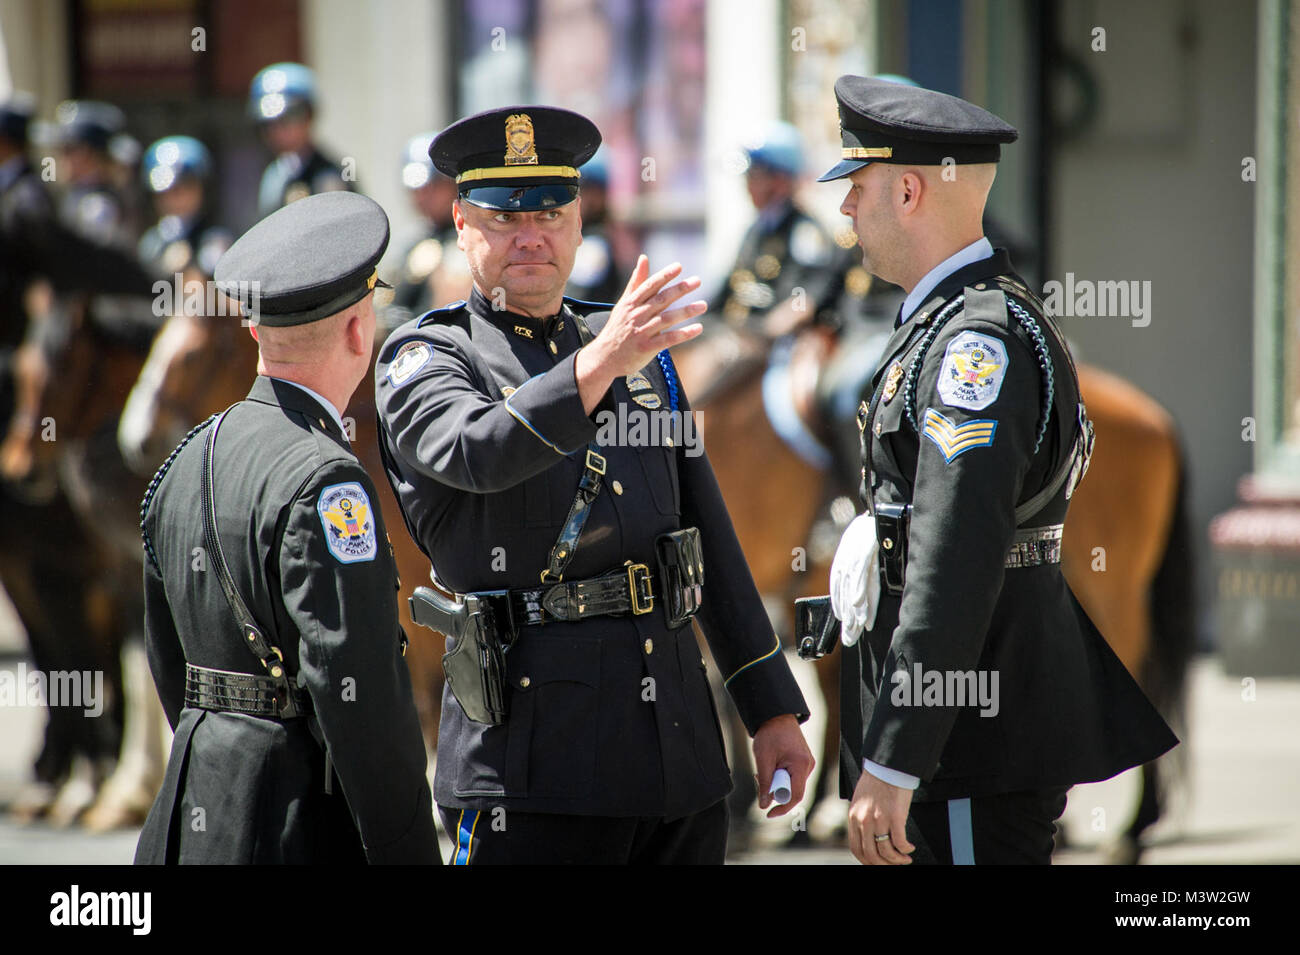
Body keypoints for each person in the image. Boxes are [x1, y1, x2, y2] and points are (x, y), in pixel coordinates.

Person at [374, 105, 813, 864]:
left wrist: (768, 704)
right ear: (461, 223)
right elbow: (479, 450)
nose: (531, 237)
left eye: (550, 212)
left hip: (677, 756)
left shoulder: (629, 345)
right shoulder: (428, 356)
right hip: (533, 768)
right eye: (505, 219)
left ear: (580, 224)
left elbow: (704, 534)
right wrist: (596, 365)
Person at [822, 75, 1176, 865]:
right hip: (963, 743)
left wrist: (897, 755)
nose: (845, 207)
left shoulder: (972, 344)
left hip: (965, 748)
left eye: (857, 185)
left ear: (909, 191)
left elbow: (954, 563)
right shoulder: (952, 319)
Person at [135, 192, 439, 864]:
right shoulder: (330, 481)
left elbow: (167, 660)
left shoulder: (186, 457)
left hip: (190, 816)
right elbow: (362, 703)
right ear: (362, 332)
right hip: (292, 826)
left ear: (252, 331)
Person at [708, 121, 839, 338]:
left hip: (778, 343)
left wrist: (765, 333)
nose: (747, 186)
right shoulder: (755, 230)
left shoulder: (805, 232)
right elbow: (730, 286)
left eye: (754, 176)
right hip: (737, 337)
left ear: (780, 181)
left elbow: (804, 301)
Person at [249, 62, 355, 219]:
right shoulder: (274, 175)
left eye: (287, 119)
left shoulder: (332, 175)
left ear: (309, 116)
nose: (277, 131)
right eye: (269, 124)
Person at [386, 131, 462, 325]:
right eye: (416, 190)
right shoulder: (414, 242)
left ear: (452, 183)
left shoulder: (467, 241)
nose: (422, 197)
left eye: (432, 187)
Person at [137, 135, 231, 279]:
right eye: (163, 193)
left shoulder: (215, 239)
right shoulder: (153, 242)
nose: (171, 200)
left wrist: (191, 267)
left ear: (202, 189)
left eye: (181, 190)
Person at [564, 146, 626, 304]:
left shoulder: (594, 244)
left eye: (579, 188)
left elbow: (573, 301)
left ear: (598, 195)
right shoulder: (581, 236)